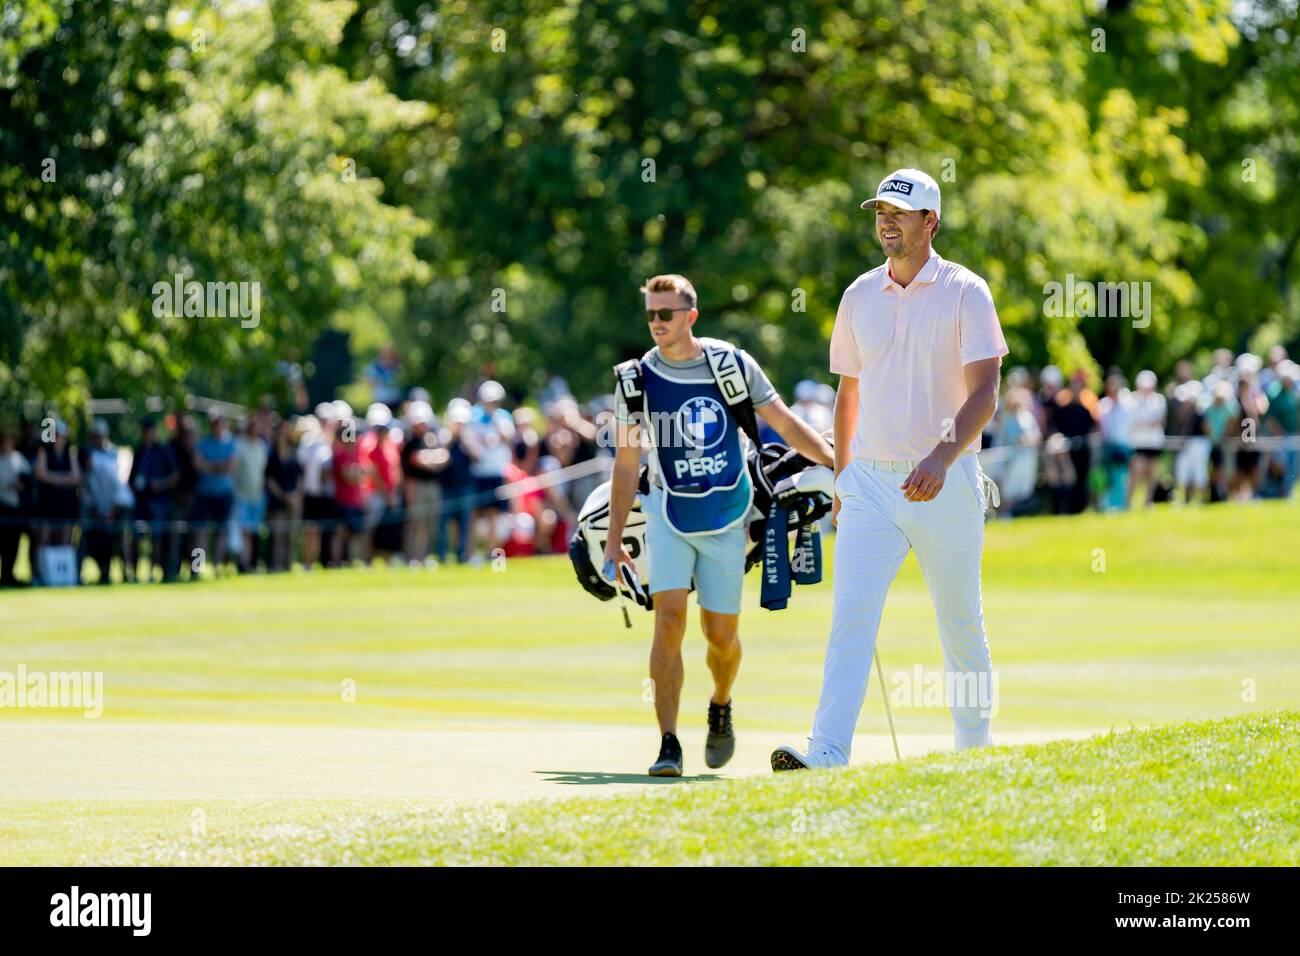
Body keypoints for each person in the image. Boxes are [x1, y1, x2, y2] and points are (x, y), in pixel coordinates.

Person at [770, 168, 1007, 771]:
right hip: (871, 482)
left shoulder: (966, 291)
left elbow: (984, 395)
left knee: (960, 623)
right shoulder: (857, 295)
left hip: (947, 479)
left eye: (899, 213)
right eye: (880, 211)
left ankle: (973, 754)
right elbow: (848, 395)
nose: (886, 222)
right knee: (850, 617)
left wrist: (939, 457)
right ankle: (827, 752)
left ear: (931, 221)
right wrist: (844, 478)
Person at [602, 273, 834, 777]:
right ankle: (668, 744)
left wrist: (836, 462)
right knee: (668, 621)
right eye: (650, 314)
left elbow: (786, 423)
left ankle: (721, 703)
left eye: (666, 313)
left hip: (729, 516)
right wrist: (616, 539)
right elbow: (626, 462)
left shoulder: (730, 365)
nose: (657, 323)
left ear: (691, 315)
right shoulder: (634, 380)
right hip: (669, 514)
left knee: (721, 637)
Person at [466, 380, 515, 562]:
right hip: (479, 472)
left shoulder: (503, 416)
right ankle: (470, 553)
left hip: (497, 472)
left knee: (495, 514)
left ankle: (490, 553)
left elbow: (507, 436)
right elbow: (472, 443)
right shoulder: (474, 416)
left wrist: (495, 422)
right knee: (476, 514)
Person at [128, 417, 178, 582]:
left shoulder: (163, 451)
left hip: (159, 501)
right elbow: (131, 478)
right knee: (136, 537)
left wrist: (161, 484)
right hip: (141, 501)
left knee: (156, 539)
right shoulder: (139, 451)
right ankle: (134, 574)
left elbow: (175, 475)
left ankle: (153, 573)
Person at [401, 400, 447, 567]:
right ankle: (413, 557)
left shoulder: (432, 437)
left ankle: (425, 556)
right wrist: (431, 458)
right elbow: (415, 460)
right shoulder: (408, 439)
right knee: (416, 523)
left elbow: (444, 457)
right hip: (415, 485)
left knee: (431, 523)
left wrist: (427, 458)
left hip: (432, 485)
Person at [193, 413, 237, 574]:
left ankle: (217, 567)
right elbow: (199, 465)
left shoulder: (231, 443)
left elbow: (230, 467)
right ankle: (197, 567)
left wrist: (210, 466)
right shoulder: (203, 444)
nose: (217, 427)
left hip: (224, 494)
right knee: (200, 531)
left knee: (221, 532)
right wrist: (218, 467)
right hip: (204, 494)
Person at [34, 420, 81, 568]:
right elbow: (40, 474)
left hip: (66, 504)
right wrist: (64, 479)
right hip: (47, 503)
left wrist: (52, 478)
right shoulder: (44, 450)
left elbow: (76, 477)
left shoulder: (70, 452)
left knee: (65, 540)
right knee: (44, 538)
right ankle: (40, 573)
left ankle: (63, 573)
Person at [298, 404, 338, 569]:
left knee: (327, 530)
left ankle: (326, 561)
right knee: (310, 530)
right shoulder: (309, 441)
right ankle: (308, 562)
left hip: (328, 494)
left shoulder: (336, 441)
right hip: (311, 492)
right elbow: (302, 464)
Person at [437, 399, 476, 565]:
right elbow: (441, 458)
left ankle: (463, 553)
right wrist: (450, 438)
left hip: (465, 486)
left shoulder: (468, 438)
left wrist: (466, 440)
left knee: (465, 523)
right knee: (443, 523)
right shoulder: (444, 437)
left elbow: (477, 456)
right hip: (446, 487)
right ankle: (443, 554)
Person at [265, 416, 303, 571]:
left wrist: (294, 495)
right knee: (277, 536)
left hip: (293, 500)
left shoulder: (294, 453)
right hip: (277, 500)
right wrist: (282, 495)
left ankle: (288, 565)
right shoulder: (272, 455)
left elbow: (300, 476)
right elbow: (269, 479)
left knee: (290, 535)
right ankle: (275, 566)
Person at [233, 416, 269, 572]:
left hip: (257, 496)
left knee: (253, 533)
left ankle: (249, 563)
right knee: (244, 532)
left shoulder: (261, 446)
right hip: (241, 495)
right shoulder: (239, 445)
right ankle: (242, 563)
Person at [1126, 370, 1167, 508]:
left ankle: (1148, 502)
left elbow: (1159, 421)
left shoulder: (1159, 400)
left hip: (1154, 442)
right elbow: (1133, 423)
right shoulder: (1132, 399)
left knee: (1151, 473)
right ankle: (1128, 501)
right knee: (1136, 471)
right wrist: (1148, 423)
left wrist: (1145, 423)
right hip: (1138, 442)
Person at [1097, 372, 1133, 512]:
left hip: (1123, 445)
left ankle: (1120, 504)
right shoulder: (1103, 405)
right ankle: (1108, 504)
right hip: (1107, 445)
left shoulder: (1127, 404)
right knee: (1108, 476)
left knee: (1121, 475)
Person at [0, 429, 31, 586]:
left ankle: (8, 575)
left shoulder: (18, 459)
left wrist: (20, 484)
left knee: (12, 545)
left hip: (14, 508)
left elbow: (27, 480)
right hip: (1, 507)